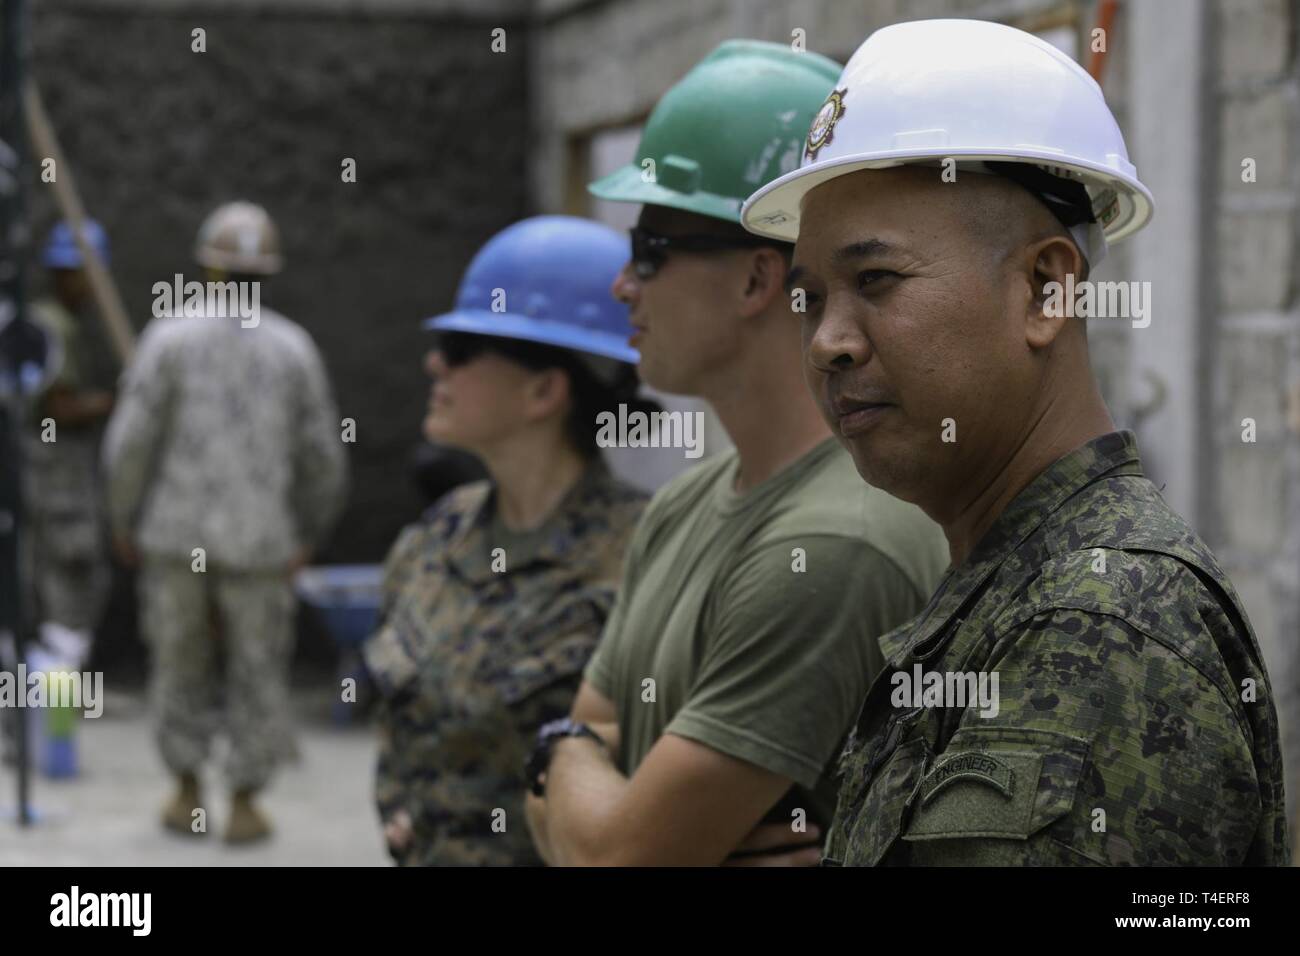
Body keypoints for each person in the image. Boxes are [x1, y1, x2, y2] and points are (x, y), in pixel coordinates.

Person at [741, 18, 1290, 865]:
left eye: (876, 279)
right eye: (811, 299)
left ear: (1044, 290)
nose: (827, 343)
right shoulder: (1009, 581)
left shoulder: (1099, 623)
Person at [524, 41, 948, 867]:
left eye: (649, 249)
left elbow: (611, 855)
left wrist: (565, 763)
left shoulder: (834, 543)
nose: (622, 285)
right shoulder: (685, 504)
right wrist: (567, 756)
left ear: (757, 280)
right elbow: (561, 791)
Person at [363, 216, 649, 866]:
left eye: (462, 349)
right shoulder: (436, 536)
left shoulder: (646, 553)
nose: (435, 363)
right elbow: (396, 709)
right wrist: (399, 807)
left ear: (544, 390)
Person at [103, 200, 348, 844]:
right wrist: (307, 533)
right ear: (268, 272)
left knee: (178, 662)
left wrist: (123, 517)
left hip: (174, 539)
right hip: (261, 545)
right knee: (257, 670)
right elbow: (322, 456)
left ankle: (187, 793)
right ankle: (244, 803)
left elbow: (130, 444)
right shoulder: (293, 350)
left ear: (206, 268)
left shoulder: (167, 340)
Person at [23, 220, 116, 670]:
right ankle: (54, 691)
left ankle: (48, 687)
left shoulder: (56, 320)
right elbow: (57, 407)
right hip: (56, 478)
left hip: (54, 476)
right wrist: (114, 402)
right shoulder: (53, 325)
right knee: (69, 588)